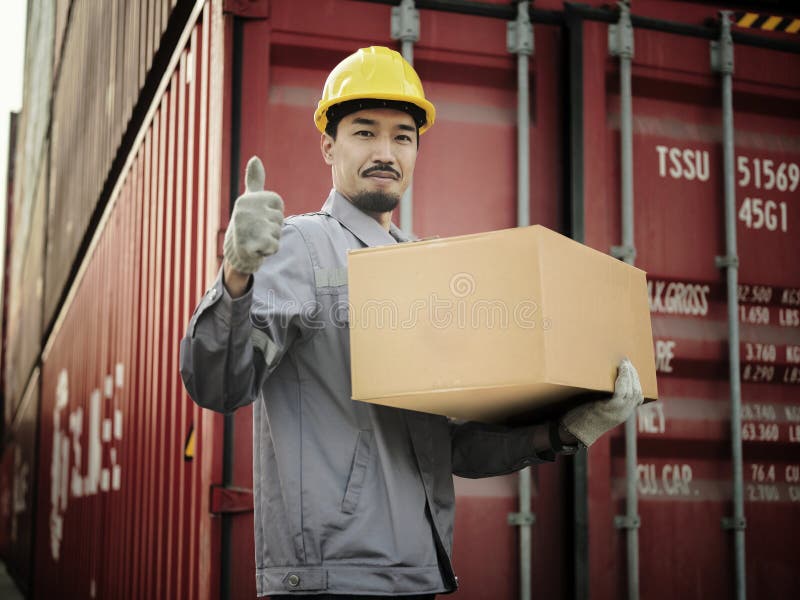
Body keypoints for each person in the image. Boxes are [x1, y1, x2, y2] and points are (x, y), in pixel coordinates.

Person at [179, 46, 643, 599]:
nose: (385, 151)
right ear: (328, 144)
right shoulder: (299, 248)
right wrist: (235, 275)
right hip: (332, 580)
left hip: (419, 573)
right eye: (364, 132)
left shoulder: (425, 268)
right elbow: (219, 385)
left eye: (402, 136)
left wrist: (569, 428)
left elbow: (448, 449)